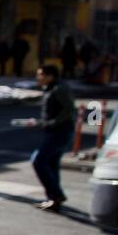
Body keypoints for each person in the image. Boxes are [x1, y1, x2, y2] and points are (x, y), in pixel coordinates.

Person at [20, 64, 77, 212]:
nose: (38, 77)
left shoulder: (59, 89)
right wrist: (40, 122)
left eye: (40, 75)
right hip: (55, 130)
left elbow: (69, 110)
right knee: (51, 165)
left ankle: (56, 196)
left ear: (50, 76)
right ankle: (54, 199)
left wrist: (51, 123)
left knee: (38, 160)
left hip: (60, 132)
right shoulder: (51, 88)